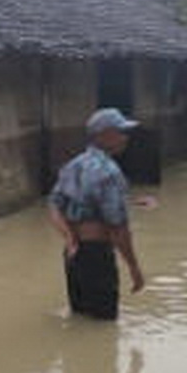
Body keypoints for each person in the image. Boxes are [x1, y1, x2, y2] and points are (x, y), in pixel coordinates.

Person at [48, 108, 145, 321]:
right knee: (104, 323)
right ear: (103, 135)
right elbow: (118, 228)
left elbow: (54, 207)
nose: (125, 137)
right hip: (97, 254)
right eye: (120, 131)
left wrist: (70, 238)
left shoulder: (72, 166)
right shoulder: (109, 172)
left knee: (81, 319)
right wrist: (134, 267)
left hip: (73, 254)